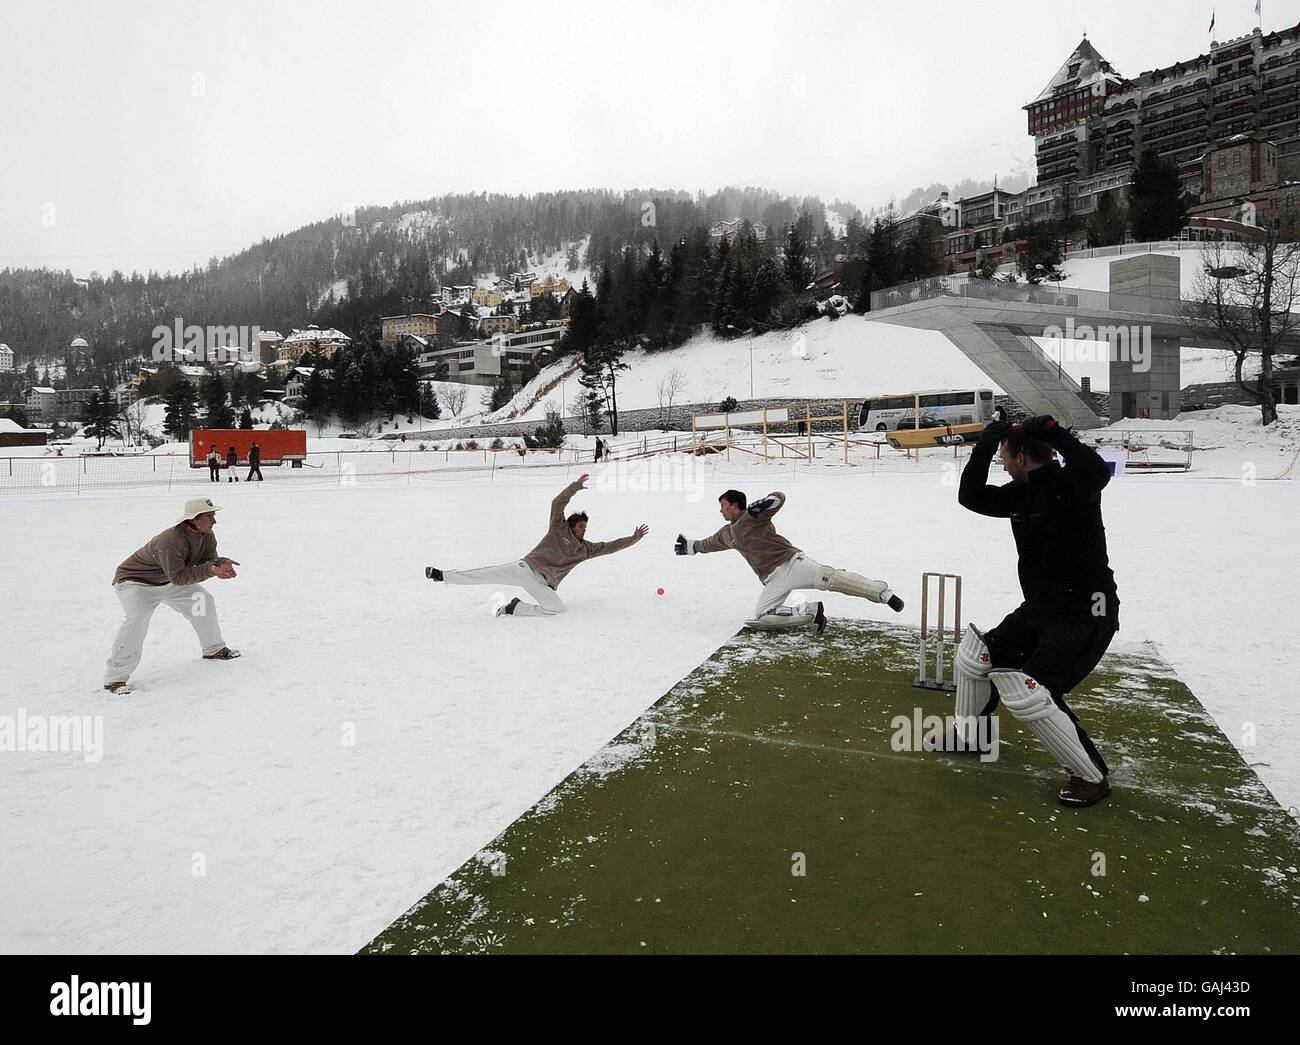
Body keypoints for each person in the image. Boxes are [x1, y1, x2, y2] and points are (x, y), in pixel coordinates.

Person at [945, 414, 1120, 808]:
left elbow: (1093, 466)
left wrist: (1056, 433)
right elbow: (970, 496)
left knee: (1033, 693)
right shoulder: (1020, 494)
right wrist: (987, 443)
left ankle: (1089, 777)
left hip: (1086, 614)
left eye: (1005, 458)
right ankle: (971, 736)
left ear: (1023, 458)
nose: (1003, 465)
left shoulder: (1075, 485)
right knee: (976, 657)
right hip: (1039, 610)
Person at [675, 490, 904, 634]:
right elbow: (709, 543)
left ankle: (881, 593)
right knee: (763, 617)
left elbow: (780, 498)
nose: (721, 510)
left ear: (736, 506)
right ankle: (812, 611)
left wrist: (768, 501)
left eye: (724, 505)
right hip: (772, 579)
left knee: (828, 579)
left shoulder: (753, 516)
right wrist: (692, 546)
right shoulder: (727, 533)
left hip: (792, 562)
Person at [426, 474, 648, 616]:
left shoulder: (585, 550)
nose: (584, 530)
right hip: (525, 569)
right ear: (572, 526)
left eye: (585, 527)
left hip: (544, 585)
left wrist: (634, 538)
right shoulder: (558, 527)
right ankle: (442, 575)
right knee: (485, 574)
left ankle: (515, 608)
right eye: (581, 526)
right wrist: (575, 487)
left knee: (556, 609)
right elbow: (557, 503)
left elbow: (610, 546)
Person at [103, 497, 242, 694]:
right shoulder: (171, 540)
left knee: (202, 601)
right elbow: (180, 576)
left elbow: (206, 562)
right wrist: (211, 569)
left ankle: (214, 649)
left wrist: (220, 563)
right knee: (137, 620)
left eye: (214, 516)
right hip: (135, 583)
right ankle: (114, 679)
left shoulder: (207, 535)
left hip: (168, 581)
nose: (214, 521)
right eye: (209, 516)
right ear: (193, 519)